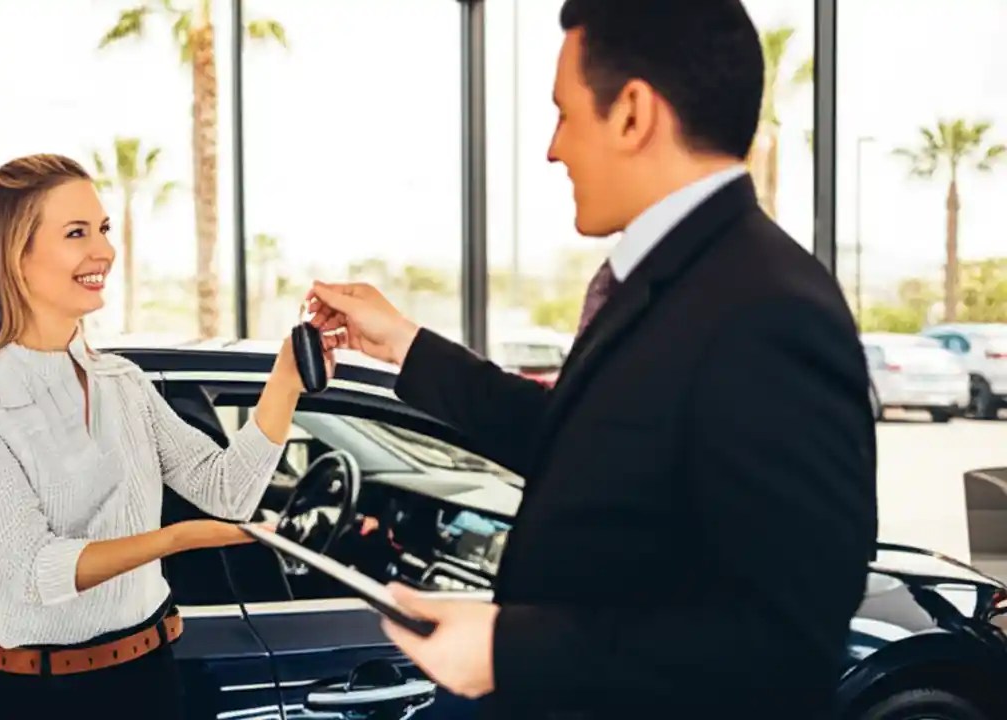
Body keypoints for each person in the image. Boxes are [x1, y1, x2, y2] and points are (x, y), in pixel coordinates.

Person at [305, 1, 877, 718]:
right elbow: (573, 440)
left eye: (564, 114)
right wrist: (405, 345)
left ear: (633, 113)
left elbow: (784, 644)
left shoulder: (769, 311)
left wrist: (507, 650)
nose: (553, 148)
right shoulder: (675, 282)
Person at [0, 153, 333, 718]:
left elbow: (227, 492)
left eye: (104, 229)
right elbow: (33, 570)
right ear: (14, 254)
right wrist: (176, 539)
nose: (105, 250)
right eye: (76, 232)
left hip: (155, 672)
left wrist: (285, 377)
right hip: (48, 698)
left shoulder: (123, 382)